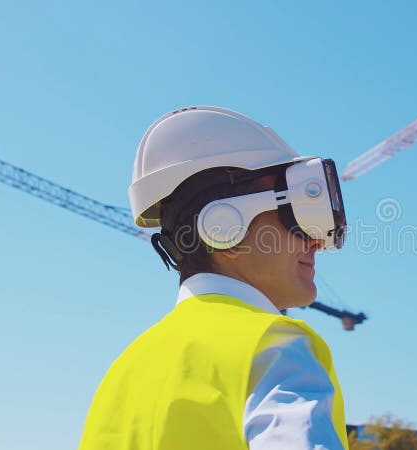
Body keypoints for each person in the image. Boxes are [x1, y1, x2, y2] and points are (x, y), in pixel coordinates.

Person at [78, 106, 349, 450]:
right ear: (225, 228)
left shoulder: (121, 375)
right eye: (295, 212)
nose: (316, 240)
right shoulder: (273, 348)